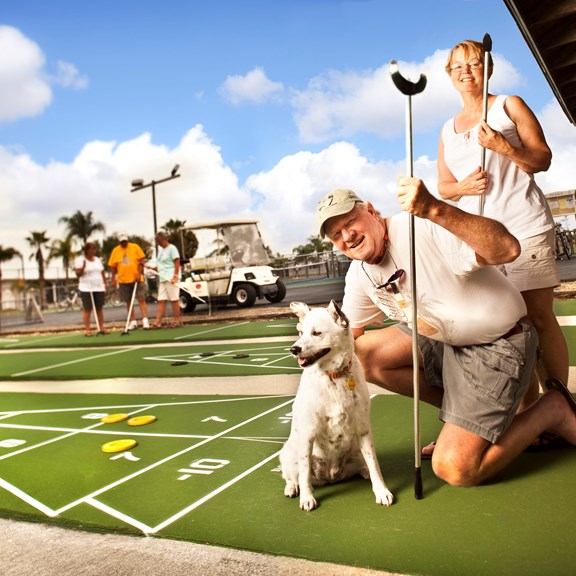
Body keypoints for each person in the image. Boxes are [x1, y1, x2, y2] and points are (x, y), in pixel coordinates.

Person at [316, 184, 576, 487]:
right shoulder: (359, 273)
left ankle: (552, 410)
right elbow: (348, 338)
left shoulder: (422, 227)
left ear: (371, 211)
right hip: (448, 341)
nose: (347, 236)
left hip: (497, 345)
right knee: (360, 355)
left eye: (350, 222)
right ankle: (465, 420)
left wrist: (435, 208)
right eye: (336, 234)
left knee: (456, 468)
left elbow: (508, 249)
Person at [437, 39, 568, 408]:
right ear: (450, 76)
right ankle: (527, 413)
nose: (466, 72)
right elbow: (445, 186)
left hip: (524, 226)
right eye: (458, 67)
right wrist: (462, 187)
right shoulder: (448, 129)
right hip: (481, 241)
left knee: (538, 317)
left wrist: (504, 148)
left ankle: (559, 402)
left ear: (488, 68)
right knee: (508, 327)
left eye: (474, 64)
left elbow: (542, 158)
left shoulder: (508, 105)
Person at [108, 234, 150, 330]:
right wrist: (114, 279)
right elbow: (112, 266)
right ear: (119, 242)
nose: (124, 243)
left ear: (127, 241)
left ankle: (145, 320)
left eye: (125, 241)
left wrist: (139, 273)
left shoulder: (135, 247)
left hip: (137, 279)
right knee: (128, 301)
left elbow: (141, 260)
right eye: (122, 242)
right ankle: (133, 321)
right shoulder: (115, 251)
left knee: (141, 299)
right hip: (123, 280)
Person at [146, 231, 182, 328]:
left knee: (174, 299)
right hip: (163, 278)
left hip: (171, 277)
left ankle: (177, 321)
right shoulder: (161, 251)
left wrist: (175, 276)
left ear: (163, 239)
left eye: (158, 241)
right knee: (161, 300)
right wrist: (152, 268)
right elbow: (161, 265)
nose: (158, 243)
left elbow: (177, 261)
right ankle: (158, 322)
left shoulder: (172, 248)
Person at [74, 242, 108, 336]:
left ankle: (101, 327)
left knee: (99, 308)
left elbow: (102, 272)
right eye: (92, 249)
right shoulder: (80, 260)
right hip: (86, 288)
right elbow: (78, 274)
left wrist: (105, 283)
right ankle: (87, 330)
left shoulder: (97, 260)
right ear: (87, 250)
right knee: (88, 308)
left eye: (95, 249)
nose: (94, 251)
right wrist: (84, 266)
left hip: (98, 287)